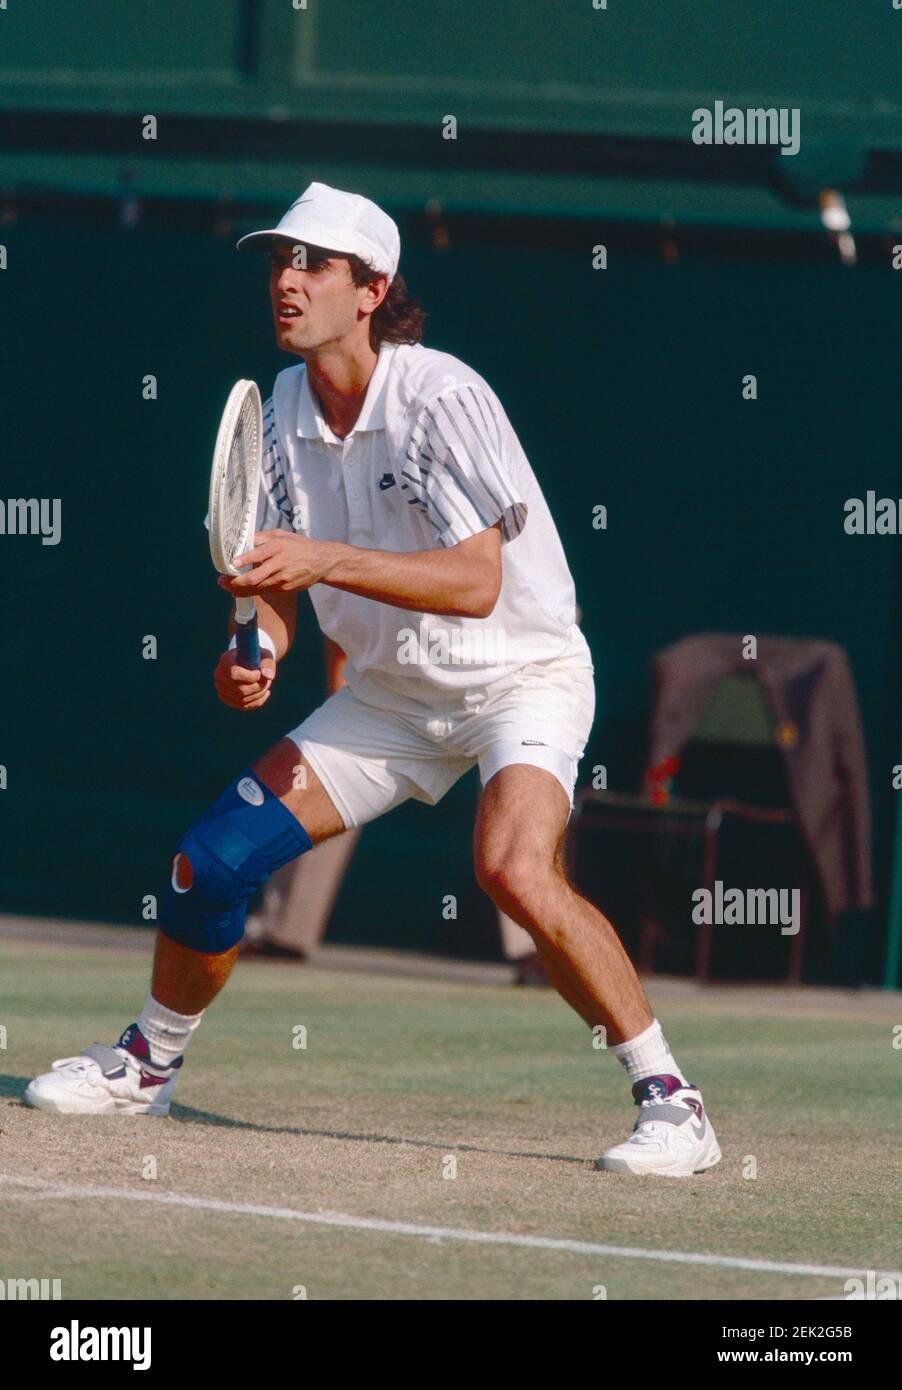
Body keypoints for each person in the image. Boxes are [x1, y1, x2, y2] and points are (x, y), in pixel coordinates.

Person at [26, 181, 720, 1177]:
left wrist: (319, 561)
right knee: (210, 863)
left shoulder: (441, 396)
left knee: (512, 867)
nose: (286, 280)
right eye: (277, 262)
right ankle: (148, 1066)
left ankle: (671, 1102)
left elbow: (475, 582)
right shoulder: (276, 408)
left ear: (371, 289)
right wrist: (254, 653)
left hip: (519, 675)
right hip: (391, 696)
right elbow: (268, 572)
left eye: (312, 264)